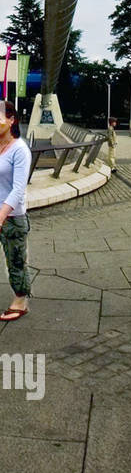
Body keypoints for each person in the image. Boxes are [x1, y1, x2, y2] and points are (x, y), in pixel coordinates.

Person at [0, 109, 27, 323]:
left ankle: (20, 301)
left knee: (15, 260)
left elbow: (18, 189)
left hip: (11, 217)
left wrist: (1, 215)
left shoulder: (20, 150)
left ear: (11, 120)